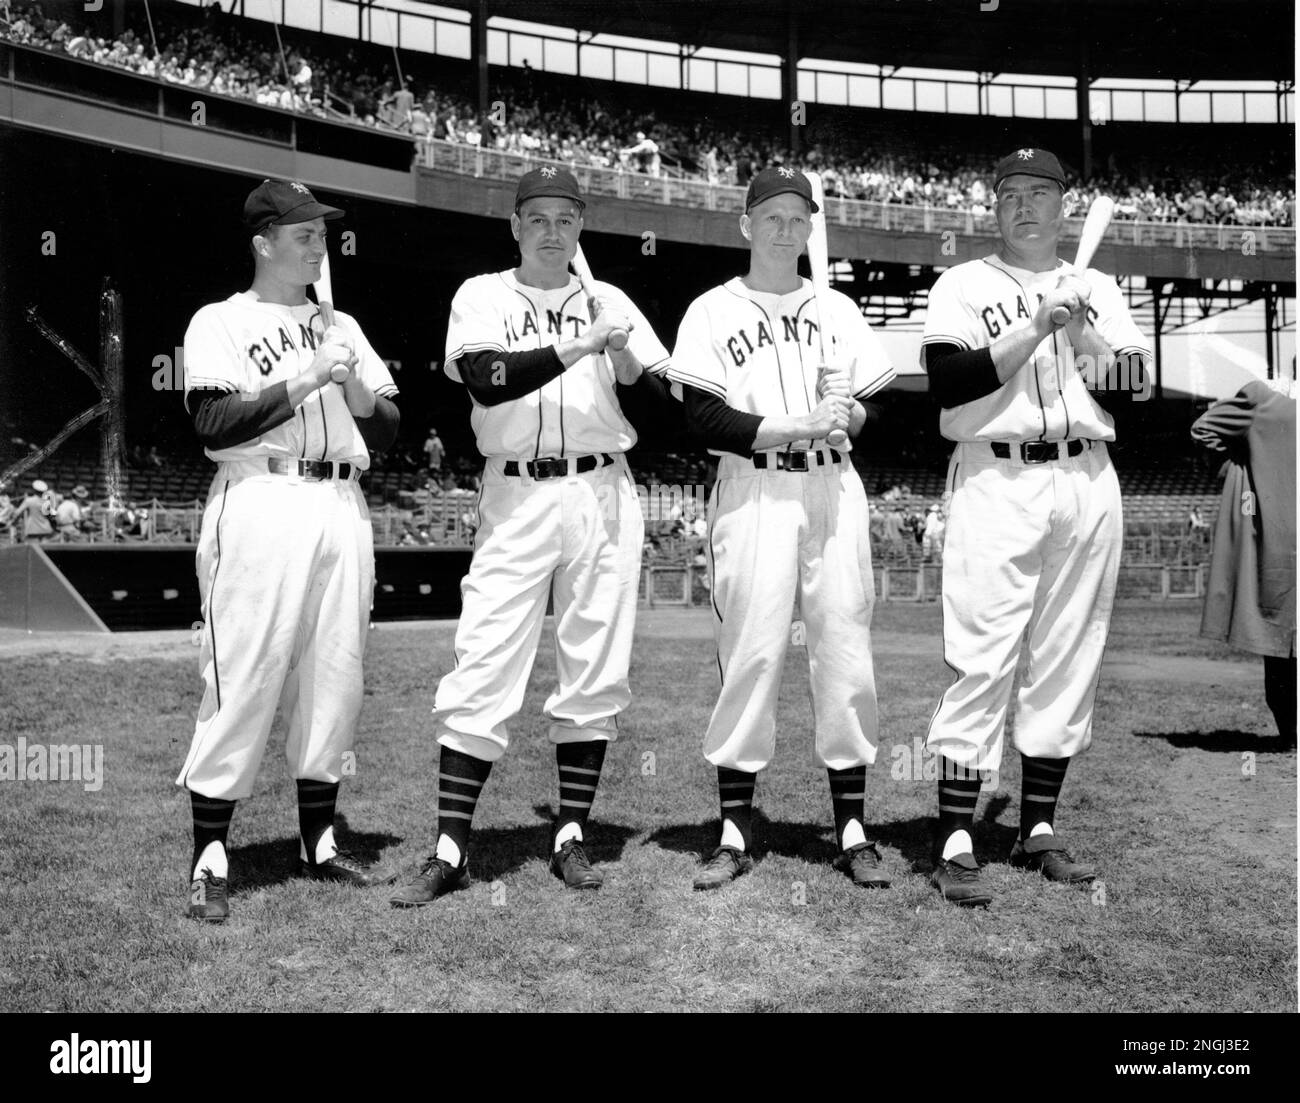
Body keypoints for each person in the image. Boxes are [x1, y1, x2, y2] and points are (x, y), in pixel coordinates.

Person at [390, 166, 675, 908]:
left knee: (594, 666)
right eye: (538, 217)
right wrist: (580, 346)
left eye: (566, 216)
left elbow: (667, 409)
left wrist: (625, 360)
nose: (553, 230)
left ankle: (571, 834)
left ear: (581, 224)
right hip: (514, 489)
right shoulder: (482, 293)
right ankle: (451, 848)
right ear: (515, 225)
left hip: (601, 487)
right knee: (484, 657)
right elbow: (486, 379)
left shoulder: (615, 302)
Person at [921, 148, 1151, 906]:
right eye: (1011, 193)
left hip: (1086, 475)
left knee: (1067, 652)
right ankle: (955, 835)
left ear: (1062, 206)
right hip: (995, 473)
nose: (1025, 205)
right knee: (982, 653)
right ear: (995, 208)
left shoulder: (1098, 286)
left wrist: (1082, 332)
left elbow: (1135, 382)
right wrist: (1034, 324)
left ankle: (1039, 827)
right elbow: (950, 380)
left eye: (1040, 193)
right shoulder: (962, 283)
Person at [666, 166, 897, 891]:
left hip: (833, 485)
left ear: (810, 227)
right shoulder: (710, 309)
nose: (786, 227)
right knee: (752, 655)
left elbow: (878, 410)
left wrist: (851, 414)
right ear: (746, 223)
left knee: (845, 652)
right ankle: (734, 829)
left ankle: (853, 828)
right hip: (755, 489)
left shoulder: (839, 308)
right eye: (772, 215)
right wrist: (795, 422)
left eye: (799, 216)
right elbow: (701, 417)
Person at [176, 178, 400, 922]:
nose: (317, 243)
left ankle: (319, 840)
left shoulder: (345, 323)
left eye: (321, 233)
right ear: (262, 242)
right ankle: (211, 853)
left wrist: (362, 395)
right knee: (244, 669)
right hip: (261, 494)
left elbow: (389, 426)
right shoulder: (220, 320)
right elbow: (212, 421)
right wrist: (307, 376)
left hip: (340, 499)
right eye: (301, 232)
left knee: (335, 672)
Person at [1191, 379, 1296, 745]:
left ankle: (1291, 734)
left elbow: (1203, 429)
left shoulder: (1263, 400)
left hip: (1278, 539)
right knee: (1282, 643)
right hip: (1280, 539)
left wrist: (1237, 469)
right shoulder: (1264, 401)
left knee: (1280, 645)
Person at [14, 478, 56, 543]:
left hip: (33, 529)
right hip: (46, 530)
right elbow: (51, 516)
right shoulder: (46, 502)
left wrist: (14, 522)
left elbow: (17, 513)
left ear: (34, 490)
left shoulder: (29, 500)